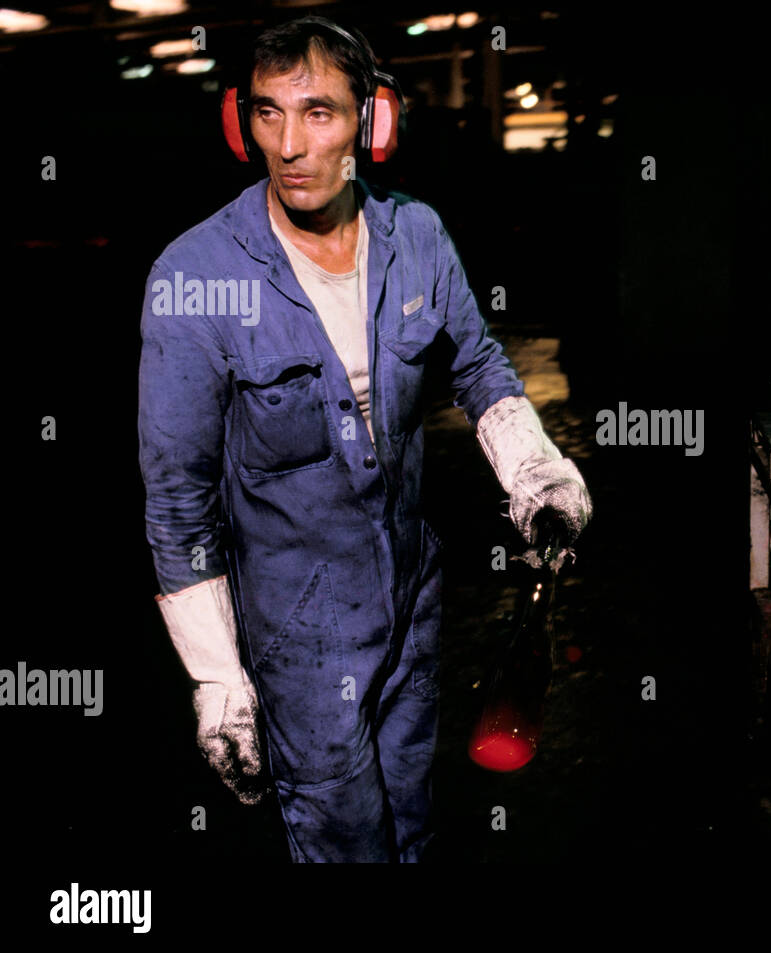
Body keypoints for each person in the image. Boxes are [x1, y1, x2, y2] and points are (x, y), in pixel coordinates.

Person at [137, 15, 591, 862]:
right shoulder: (195, 277)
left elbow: (479, 366)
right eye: (267, 114)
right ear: (242, 125)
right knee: (345, 845)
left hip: (413, 599)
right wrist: (218, 679)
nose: (289, 143)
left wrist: (536, 472)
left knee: (412, 825)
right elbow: (177, 499)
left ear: (374, 124)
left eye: (318, 113)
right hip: (298, 632)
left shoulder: (415, 237)